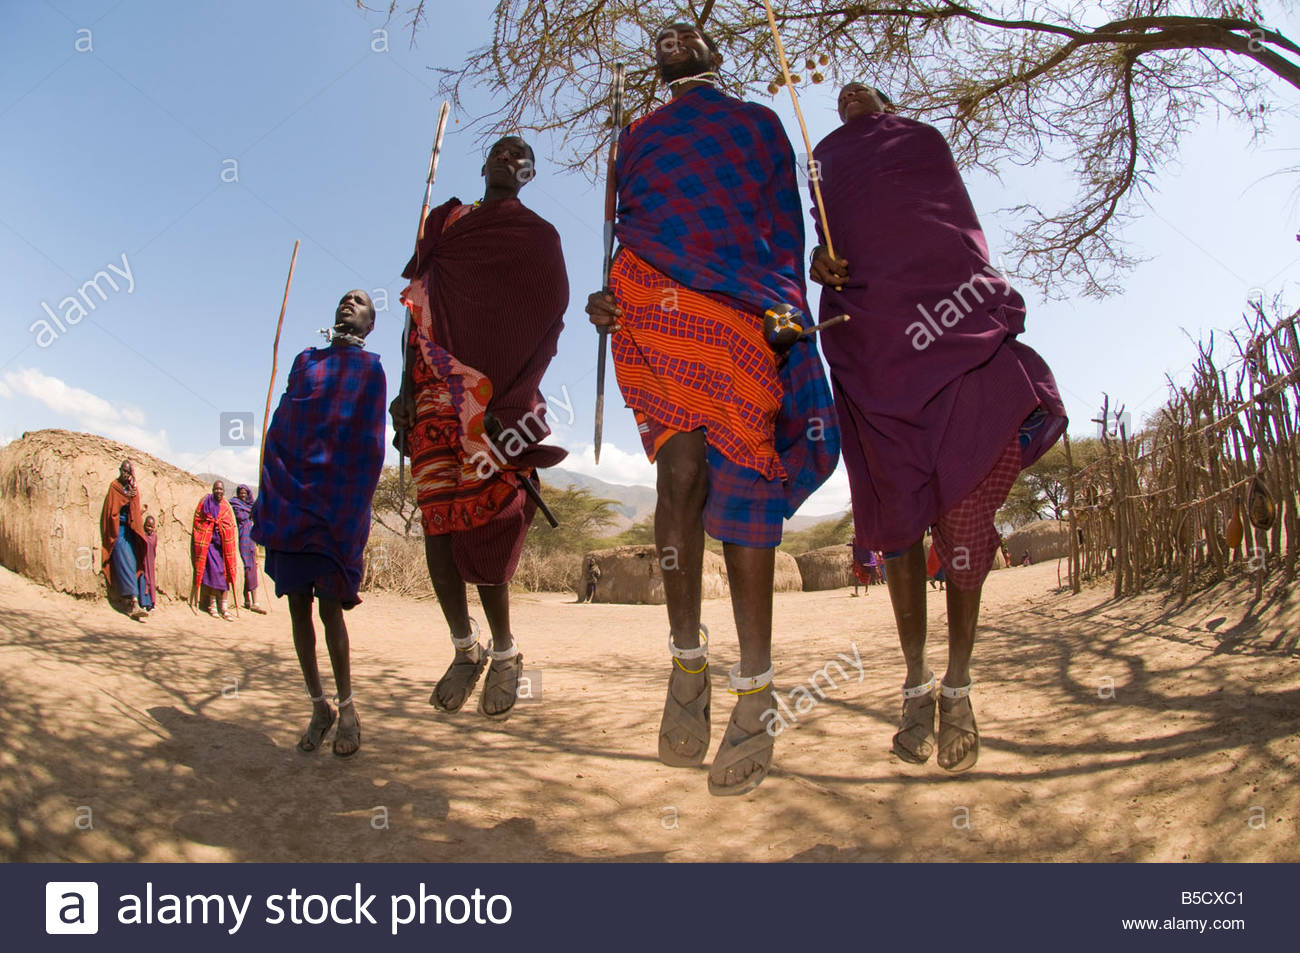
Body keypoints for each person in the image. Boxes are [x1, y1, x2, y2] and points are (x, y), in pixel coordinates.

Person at [585, 21, 839, 796]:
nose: (670, 33)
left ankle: (756, 690)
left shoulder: (757, 123)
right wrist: (606, 293)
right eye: (659, 31)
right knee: (680, 475)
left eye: (686, 29)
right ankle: (686, 665)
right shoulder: (633, 136)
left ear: (714, 55)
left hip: (741, 304)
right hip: (651, 302)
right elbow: (628, 225)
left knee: (743, 478)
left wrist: (789, 301)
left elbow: (783, 222)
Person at [809, 82, 1067, 773]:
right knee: (897, 532)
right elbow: (831, 240)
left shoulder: (923, 141)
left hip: (954, 324)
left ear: (888, 101)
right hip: (875, 344)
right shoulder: (824, 162)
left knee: (965, 519)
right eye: (839, 94)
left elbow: (955, 223)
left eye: (862, 88)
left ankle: (958, 686)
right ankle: (916, 683)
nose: (848, 94)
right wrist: (819, 264)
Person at [390, 135, 569, 721]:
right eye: (501, 151)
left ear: (531, 176)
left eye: (522, 158)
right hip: (433, 394)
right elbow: (417, 310)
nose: (509, 161)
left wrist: (514, 401)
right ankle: (464, 650)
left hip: (492, 402)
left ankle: (507, 651)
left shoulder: (538, 237)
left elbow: (544, 321)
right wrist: (403, 390)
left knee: (488, 518)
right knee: (439, 527)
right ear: (486, 162)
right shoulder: (445, 223)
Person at [253, 289, 387, 757]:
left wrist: (355, 508)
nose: (350, 303)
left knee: (330, 609)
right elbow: (286, 423)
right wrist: (273, 478)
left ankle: (348, 708)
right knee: (297, 609)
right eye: (345, 299)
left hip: (337, 505)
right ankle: (318, 706)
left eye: (361, 302)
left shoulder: (371, 370)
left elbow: (369, 444)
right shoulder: (305, 360)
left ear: (371, 324)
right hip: (292, 500)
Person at [100, 459, 149, 621]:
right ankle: (133, 602)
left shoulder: (131, 488)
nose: (124, 474)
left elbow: (134, 511)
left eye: (128, 472)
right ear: (119, 469)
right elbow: (111, 512)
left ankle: (135, 601)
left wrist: (133, 498)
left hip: (129, 530)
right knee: (126, 560)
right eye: (123, 470)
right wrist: (125, 498)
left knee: (136, 561)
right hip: (118, 531)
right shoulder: (115, 487)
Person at [191, 480, 238, 621]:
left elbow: (229, 526)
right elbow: (199, 522)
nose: (219, 491)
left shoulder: (225, 507)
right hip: (210, 546)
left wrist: (222, 529)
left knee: (226, 574)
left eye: (221, 489)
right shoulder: (205, 503)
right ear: (212, 489)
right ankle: (212, 605)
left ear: (224, 491)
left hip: (223, 547)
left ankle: (224, 607)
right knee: (212, 574)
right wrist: (211, 526)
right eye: (216, 489)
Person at [231, 484, 267, 614]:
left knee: (252, 569)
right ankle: (247, 600)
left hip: (251, 541)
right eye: (240, 492)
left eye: (244, 492)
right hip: (241, 539)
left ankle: (254, 601)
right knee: (246, 568)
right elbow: (238, 518)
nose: (242, 495)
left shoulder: (250, 506)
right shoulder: (235, 505)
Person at [141, 513, 158, 613]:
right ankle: (143, 603)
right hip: (143, 561)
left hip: (150, 561)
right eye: (147, 525)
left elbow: (154, 548)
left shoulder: (155, 537)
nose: (149, 528)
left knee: (151, 581)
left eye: (151, 526)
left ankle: (151, 604)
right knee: (143, 581)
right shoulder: (143, 536)